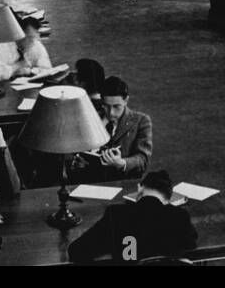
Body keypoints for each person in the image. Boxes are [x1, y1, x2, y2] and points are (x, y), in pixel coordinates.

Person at [67, 169, 197, 265]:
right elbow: (191, 241)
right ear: (169, 198)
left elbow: (77, 250)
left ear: (139, 188)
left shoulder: (117, 215)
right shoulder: (180, 216)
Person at [69, 76, 153, 181]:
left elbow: (143, 159)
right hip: (91, 180)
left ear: (126, 100)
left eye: (116, 106)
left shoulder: (141, 121)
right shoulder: (91, 118)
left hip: (122, 181)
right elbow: (75, 149)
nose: (111, 112)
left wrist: (122, 163)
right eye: (106, 106)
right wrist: (76, 160)